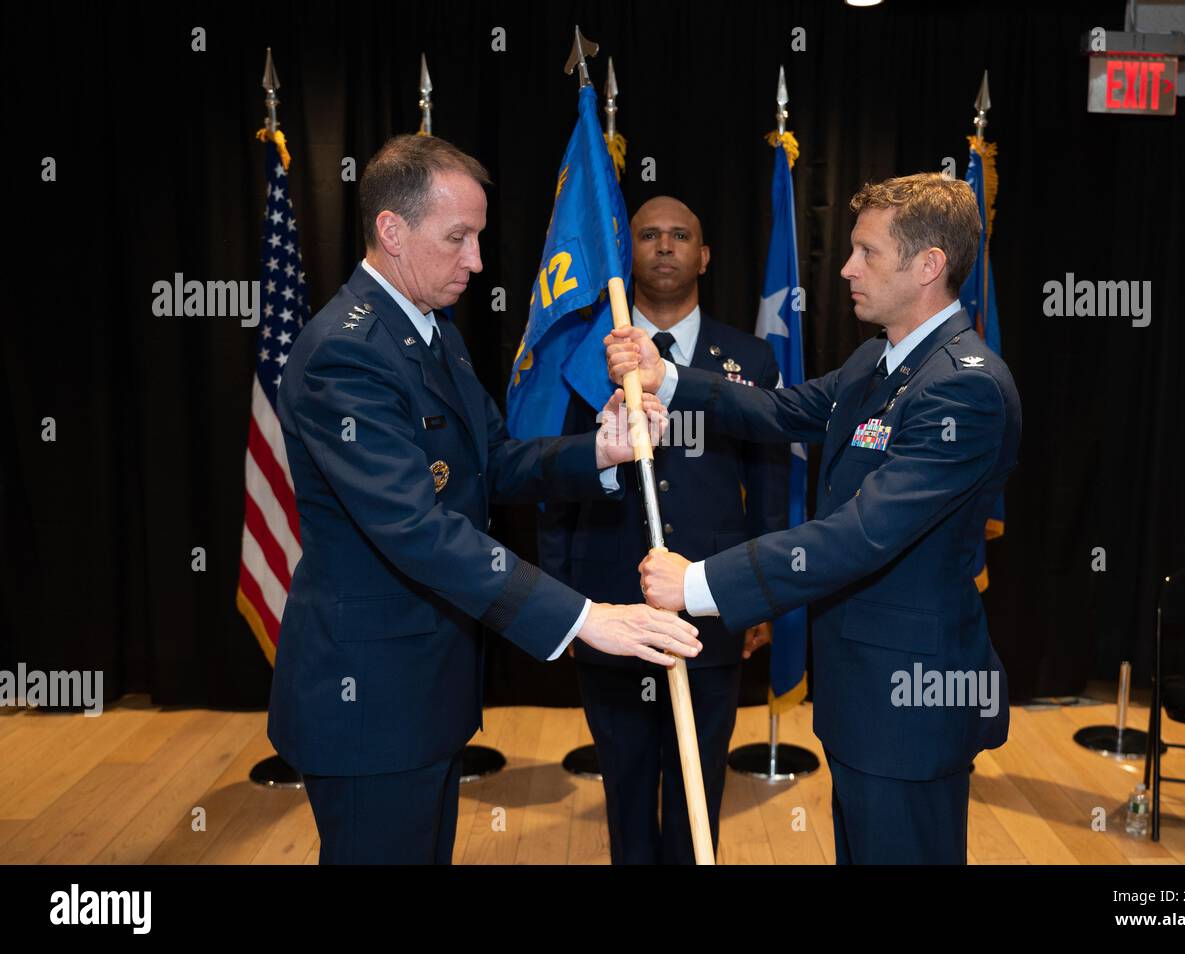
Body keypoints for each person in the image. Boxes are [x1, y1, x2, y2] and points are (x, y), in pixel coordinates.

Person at [268, 135, 700, 865]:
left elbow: (492, 463)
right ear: (393, 231)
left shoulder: (432, 332)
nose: (475, 261)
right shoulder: (346, 354)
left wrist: (601, 451)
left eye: (478, 238)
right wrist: (585, 618)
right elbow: (417, 529)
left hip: (421, 692)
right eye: (458, 238)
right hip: (367, 701)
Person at [609, 172, 1021, 864]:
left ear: (928, 266)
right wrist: (668, 377)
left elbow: (863, 533)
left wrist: (701, 585)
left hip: (910, 702)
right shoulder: (878, 359)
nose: (848, 271)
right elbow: (780, 410)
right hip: (864, 694)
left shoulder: (965, 388)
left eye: (866, 254)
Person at [544, 196, 787, 864]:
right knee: (623, 781)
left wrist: (760, 595)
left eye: (681, 234)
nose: (665, 246)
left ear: (704, 255)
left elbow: (770, 485)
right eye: (649, 235)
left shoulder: (749, 359)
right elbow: (557, 481)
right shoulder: (586, 360)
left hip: (712, 604)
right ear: (630, 255)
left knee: (698, 781)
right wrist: (561, 597)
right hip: (608, 600)